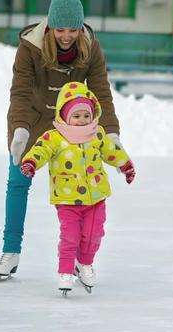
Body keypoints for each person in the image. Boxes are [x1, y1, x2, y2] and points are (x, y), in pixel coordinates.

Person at [0, 0, 124, 281]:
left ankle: (81, 257)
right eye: (60, 29)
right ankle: (10, 251)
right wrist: (21, 129)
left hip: (75, 126)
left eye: (73, 30)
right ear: (50, 26)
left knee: (79, 191)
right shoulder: (30, 48)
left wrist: (111, 131)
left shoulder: (91, 48)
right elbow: (21, 93)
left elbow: (101, 91)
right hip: (33, 120)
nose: (66, 36)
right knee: (18, 181)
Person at [19, 81, 135, 294]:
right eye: (76, 115)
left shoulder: (97, 134)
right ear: (64, 115)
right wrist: (31, 162)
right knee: (70, 235)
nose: (82, 121)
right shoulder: (53, 137)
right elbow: (40, 150)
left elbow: (112, 151)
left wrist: (125, 165)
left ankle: (84, 263)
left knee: (94, 234)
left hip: (96, 196)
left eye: (86, 115)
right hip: (67, 198)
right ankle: (65, 271)